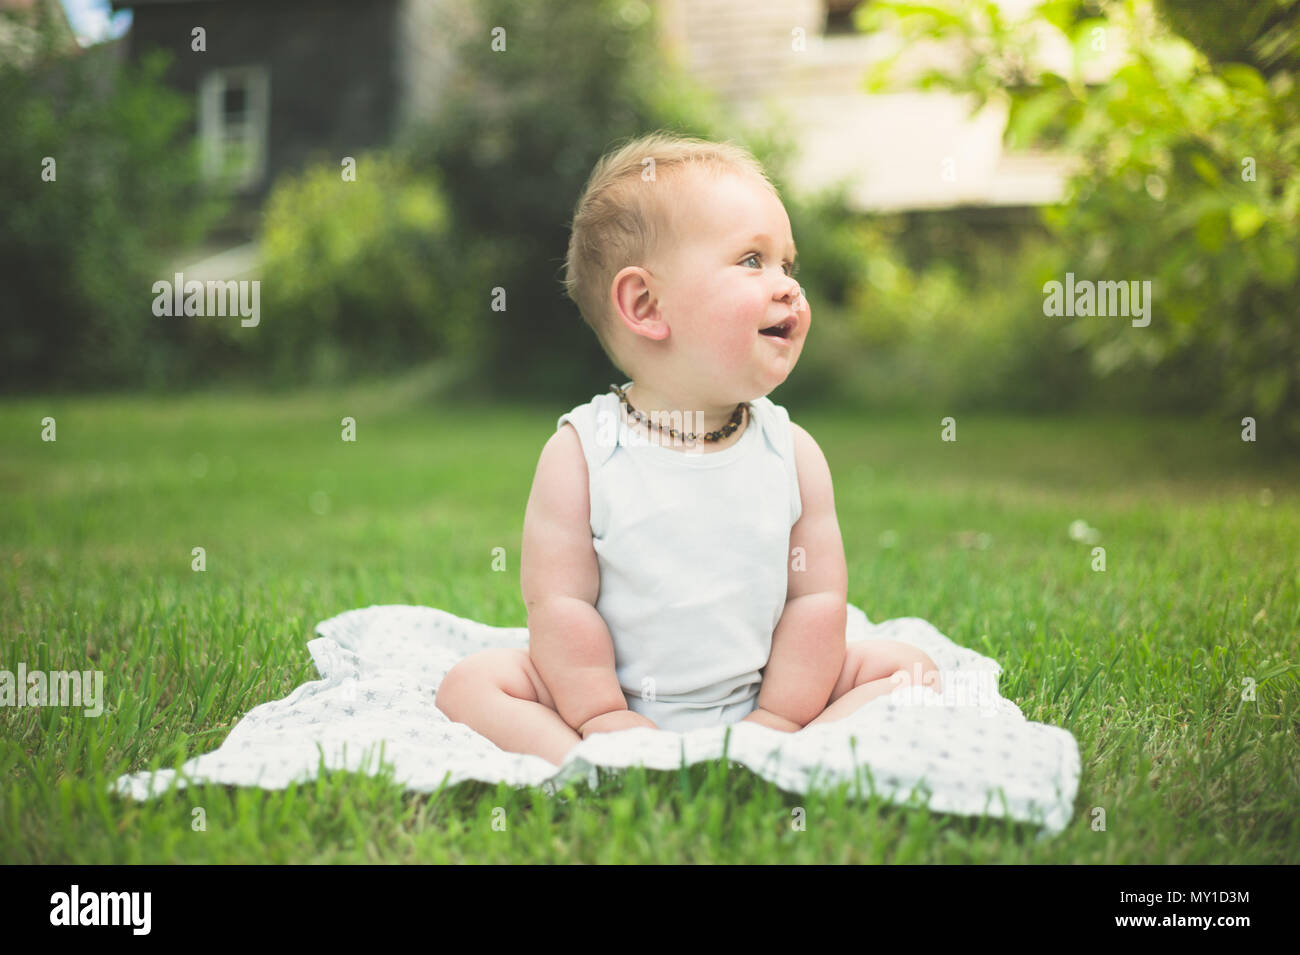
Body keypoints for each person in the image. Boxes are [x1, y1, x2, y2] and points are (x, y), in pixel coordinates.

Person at [435, 131, 941, 767]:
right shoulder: (584, 454)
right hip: (611, 697)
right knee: (472, 685)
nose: (787, 286)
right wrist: (601, 713)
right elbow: (560, 606)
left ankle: (780, 753)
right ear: (646, 304)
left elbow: (816, 601)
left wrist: (779, 716)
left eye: (788, 264)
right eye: (752, 261)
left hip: (763, 694)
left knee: (910, 670)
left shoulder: (792, 452)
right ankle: (583, 760)